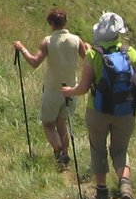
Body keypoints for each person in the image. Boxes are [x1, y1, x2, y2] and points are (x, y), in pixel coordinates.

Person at [61, 11, 136, 199]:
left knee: (98, 148)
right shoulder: (130, 52)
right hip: (125, 111)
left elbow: (83, 88)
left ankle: (101, 192)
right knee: (120, 150)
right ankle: (125, 186)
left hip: (98, 110)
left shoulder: (93, 55)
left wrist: (68, 91)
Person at [14, 9, 88, 170]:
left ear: (51, 23)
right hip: (71, 89)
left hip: (53, 89)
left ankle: (58, 149)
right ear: (66, 22)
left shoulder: (47, 41)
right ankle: (65, 154)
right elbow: (88, 59)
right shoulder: (76, 40)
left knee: (48, 124)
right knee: (62, 123)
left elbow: (34, 62)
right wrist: (87, 47)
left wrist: (22, 49)